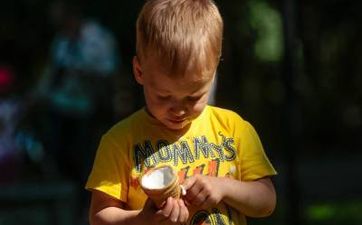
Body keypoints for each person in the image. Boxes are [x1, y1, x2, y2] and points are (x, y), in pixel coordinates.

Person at [86, 0, 277, 225]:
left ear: (213, 73)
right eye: (164, 97)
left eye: (193, 97)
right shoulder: (119, 142)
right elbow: (99, 217)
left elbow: (266, 201)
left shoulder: (233, 129)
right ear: (139, 71)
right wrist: (142, 220)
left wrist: (224, 187)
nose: (178, 109)